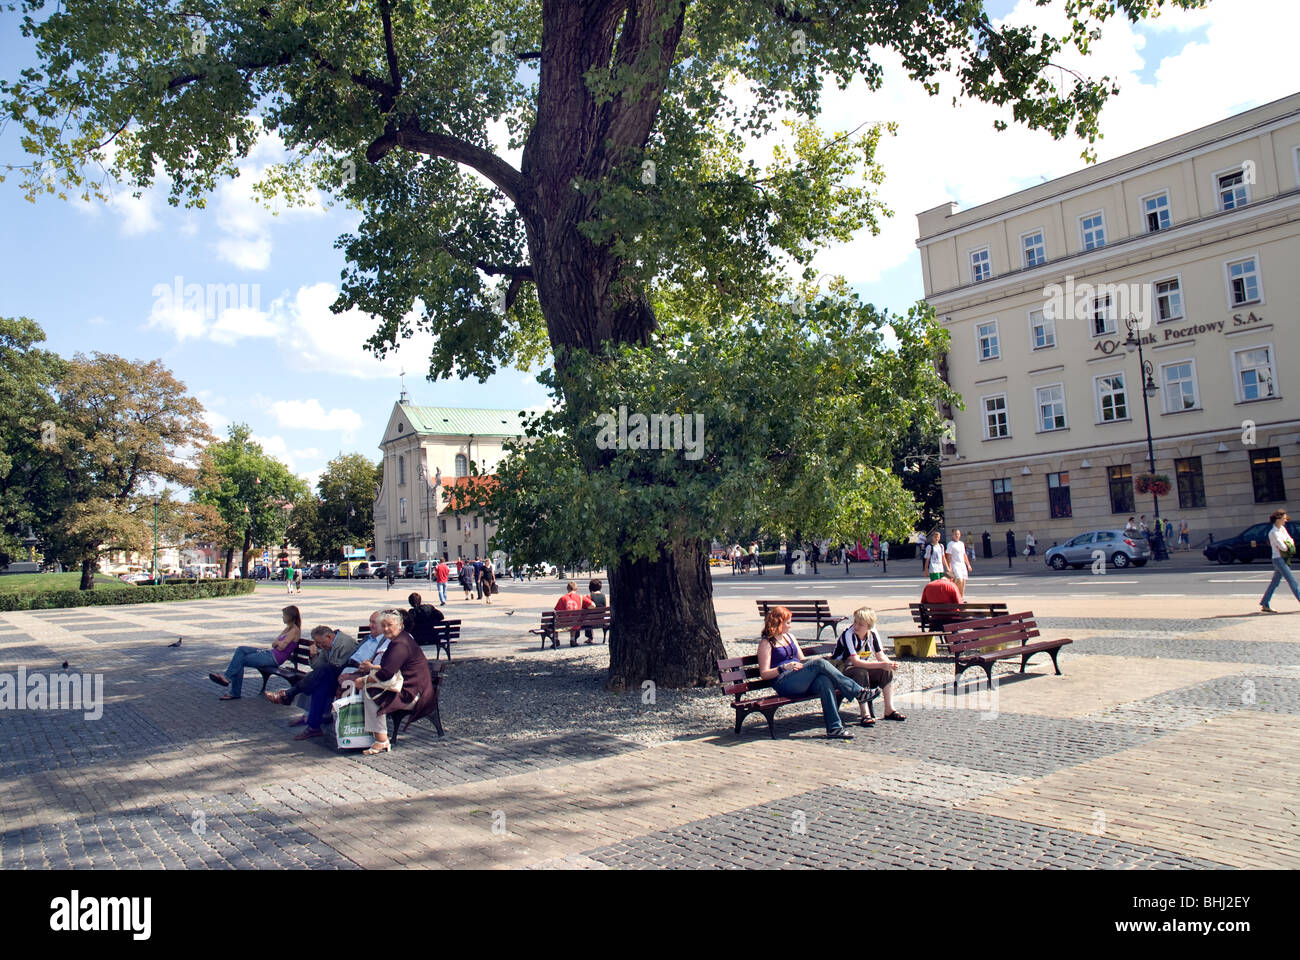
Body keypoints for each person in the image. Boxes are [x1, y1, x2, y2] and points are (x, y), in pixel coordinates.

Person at [757, 605, 872, 740]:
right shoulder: (766, 643)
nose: (790, 626)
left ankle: (834, 727)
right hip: (784, 683)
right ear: (778, 622)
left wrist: (812, 667)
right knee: (819, 662)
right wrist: (784, 667)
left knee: (824, 681)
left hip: (800, 679)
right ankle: (858, 692)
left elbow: (803, 660)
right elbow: (764, 673)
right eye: (788, 623)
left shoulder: (790, 637)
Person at [350, 610, 435, 755]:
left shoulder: (400, 644)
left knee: (371, 692)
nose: (386, 629)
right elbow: (390, 667)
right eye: (383, 626)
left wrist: (363, 681)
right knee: (371, 688)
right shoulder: (399, 640)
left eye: (389, 625)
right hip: (410, 686)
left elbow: (387, 673)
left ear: (400, 625)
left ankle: (381, 741)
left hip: (415, 693)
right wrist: (372, 670)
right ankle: (378, 737)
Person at [266, 624, 360, 740]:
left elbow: (335, 667)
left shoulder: (345, 644)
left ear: (329, 637)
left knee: (316, 678)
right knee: (318, 687)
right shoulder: (328, 645)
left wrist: (322, 667)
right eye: (318, 644)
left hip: (346, 679)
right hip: (330, 676)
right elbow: (318, 667)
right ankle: (313, 727)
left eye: (321, 643)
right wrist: (313, 655)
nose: (320, 646)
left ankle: (288, 694)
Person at [829, 607, 906, 726]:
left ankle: (889, 709)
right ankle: (865, 713)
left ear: (869, 626)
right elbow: (856, 662)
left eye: (860, 624)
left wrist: (890, 664)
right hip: (840, 670)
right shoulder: (848, 634)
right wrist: (882, 664)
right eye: (855, 622)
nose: (856, 626)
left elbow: (880, 655)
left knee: (886, 671)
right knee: (861, 672)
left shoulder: (872, 634)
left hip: (858, 667)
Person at [208, 606, 301, 700]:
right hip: (270, 653)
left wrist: (278, 643)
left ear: (290, 616)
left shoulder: (294, 630)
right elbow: (274, 644)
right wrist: (278, 643)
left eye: (284, 616)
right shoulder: (287, 629)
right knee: (241, 650)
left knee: (241, 660)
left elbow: (281, 647)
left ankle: (232, 687)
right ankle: (228, 681)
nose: (282, 618)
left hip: (274, 658)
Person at [1260, 510, 1299, 613]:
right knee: (1292, 581)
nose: (1285, 520)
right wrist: (1287, 545)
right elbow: (1283, 547)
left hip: (1283, 559)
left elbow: (1291, 540)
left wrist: (1287, 544)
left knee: (1274, 583)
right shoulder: (1273, 532)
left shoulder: (1282, 529)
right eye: (1284, 518)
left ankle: (1265, 603)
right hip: (1278, 559)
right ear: (1278, 519)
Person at [556, 580, 595, 646]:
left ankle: (556, 639)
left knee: (555, 621)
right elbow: (593, 605)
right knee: (573, 620)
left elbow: (556, 611)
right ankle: (572, 640)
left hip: (564, 624)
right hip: (576, 623)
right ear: (576, 589)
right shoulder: (581, 597)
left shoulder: (562, 598)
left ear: (567, 589)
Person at [946, 529, 973, 600]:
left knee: (963, 582)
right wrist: (949, 567)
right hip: (955, 564)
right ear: (952, 535)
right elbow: (948, 556)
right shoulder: (950, 544)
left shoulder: (961, 543)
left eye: (958, 534)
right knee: (959, 580)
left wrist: (968, 564)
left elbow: (964, 555)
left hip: (962, 565)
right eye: (955, 534)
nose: (957, 536)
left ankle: (961, 598)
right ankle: (955, 596)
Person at [583, 578, 607, 644]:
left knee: (585, 617)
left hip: (590, 621)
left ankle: (590, 638)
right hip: (601, 620)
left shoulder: (589, 596)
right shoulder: (603, 596)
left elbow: (584, 607)